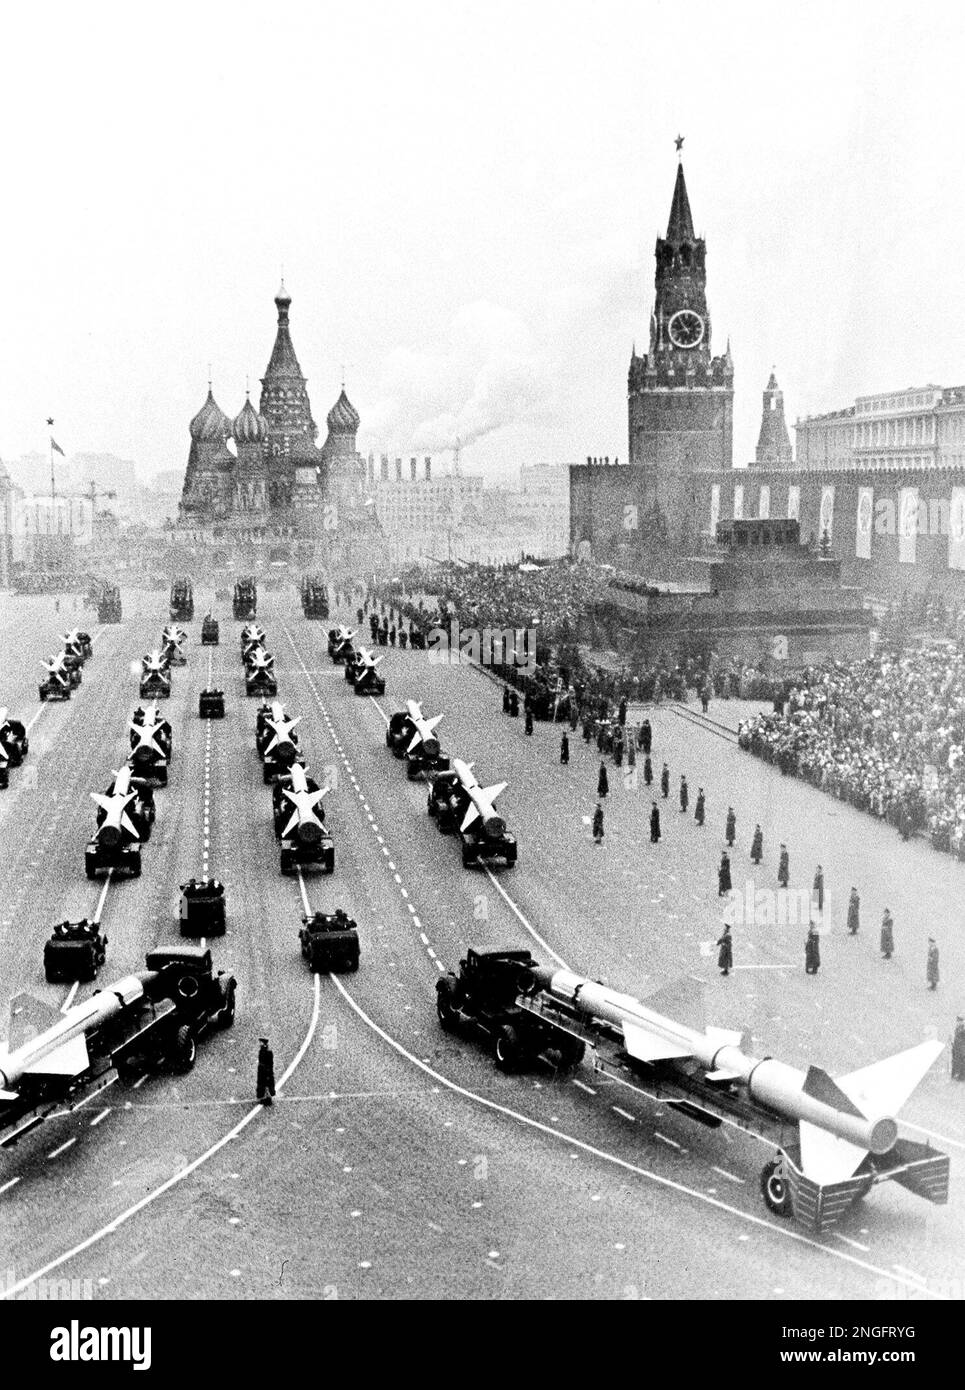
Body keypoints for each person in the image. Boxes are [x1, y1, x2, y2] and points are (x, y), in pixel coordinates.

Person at [256, 1038, 276, 1106]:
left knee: (266, 1085)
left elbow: (269, 1063)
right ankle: (265, 1097)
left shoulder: (267, 1052)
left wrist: (267, 1070)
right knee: (263, 1084)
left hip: (265, 1071)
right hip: (262, 1070)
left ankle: (267, 1098)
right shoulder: (262, 1051)